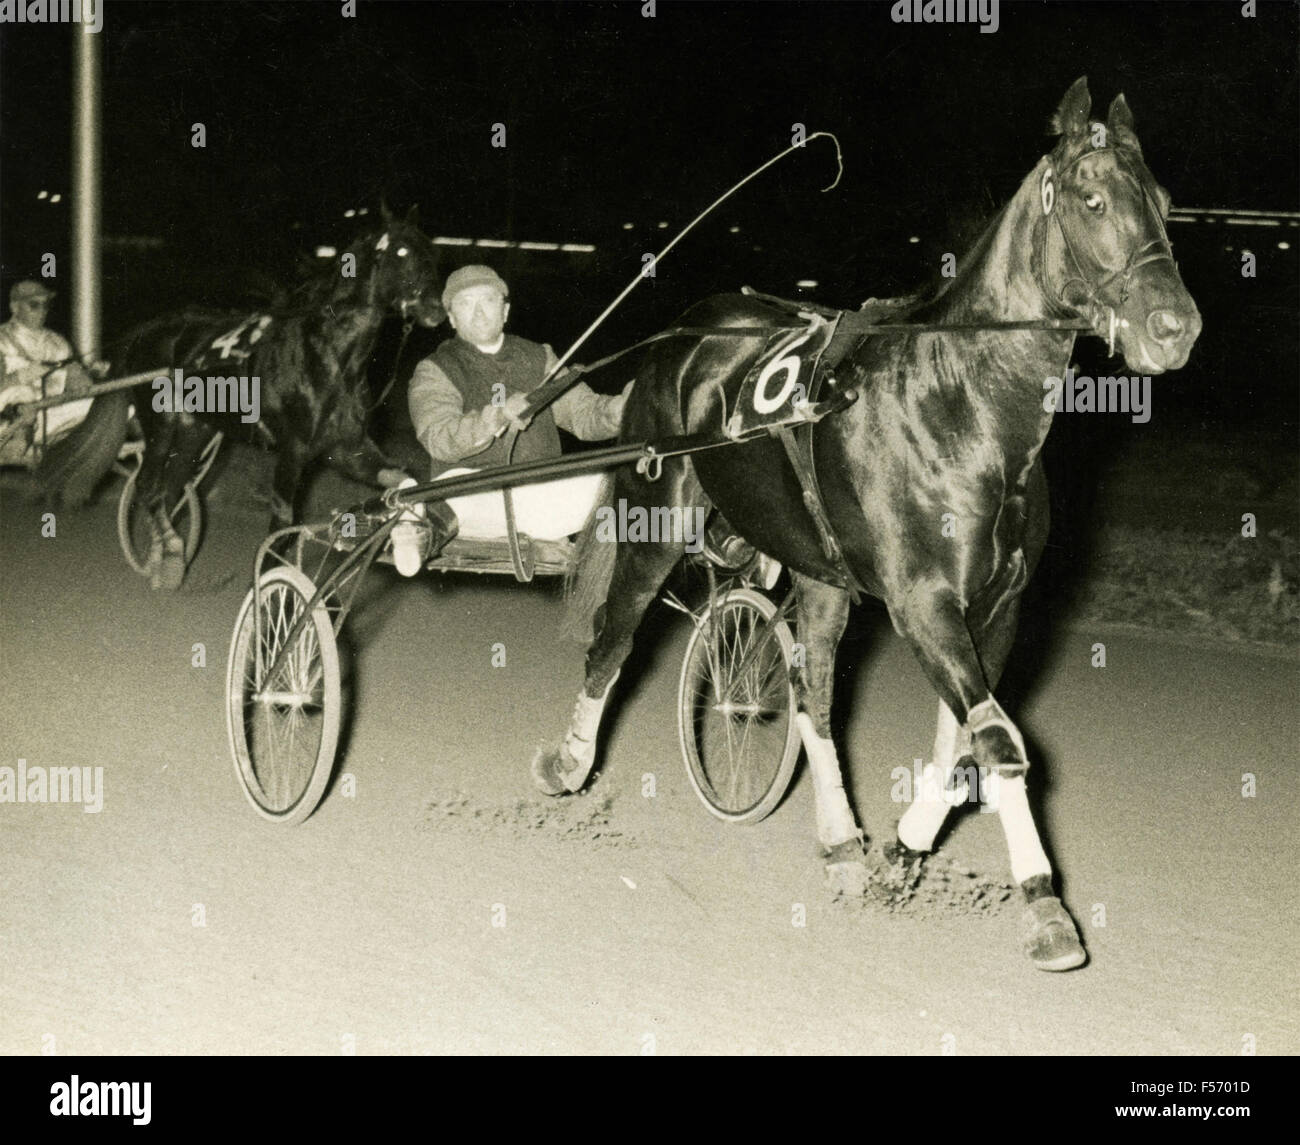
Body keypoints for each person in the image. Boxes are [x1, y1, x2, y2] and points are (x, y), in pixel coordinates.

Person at [398, 265, 631, 572]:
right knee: (453, 490)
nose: (479, 313)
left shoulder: (539, 357)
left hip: (541, 495)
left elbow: (585, 415)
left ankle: (684, 538)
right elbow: (439, 438)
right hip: (477, 496)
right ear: (452, 318)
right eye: (466, 304)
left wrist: (623, 408)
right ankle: (415, 524)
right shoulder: (435, 369)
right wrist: (495, 418)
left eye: (489, 301)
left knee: (617, 485)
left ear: (505, 311)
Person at [0, 280, 95, 462]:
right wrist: (20, 376)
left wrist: (88, 376)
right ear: (14, 307)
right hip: (8, 424)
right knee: (23, 392)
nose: (42, 311)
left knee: (102, 405)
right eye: (34, 305)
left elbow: (79, 384)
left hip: (51, 416)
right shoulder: (3, 339)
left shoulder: (57, 343)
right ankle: (17, 446)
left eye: (46, 305)